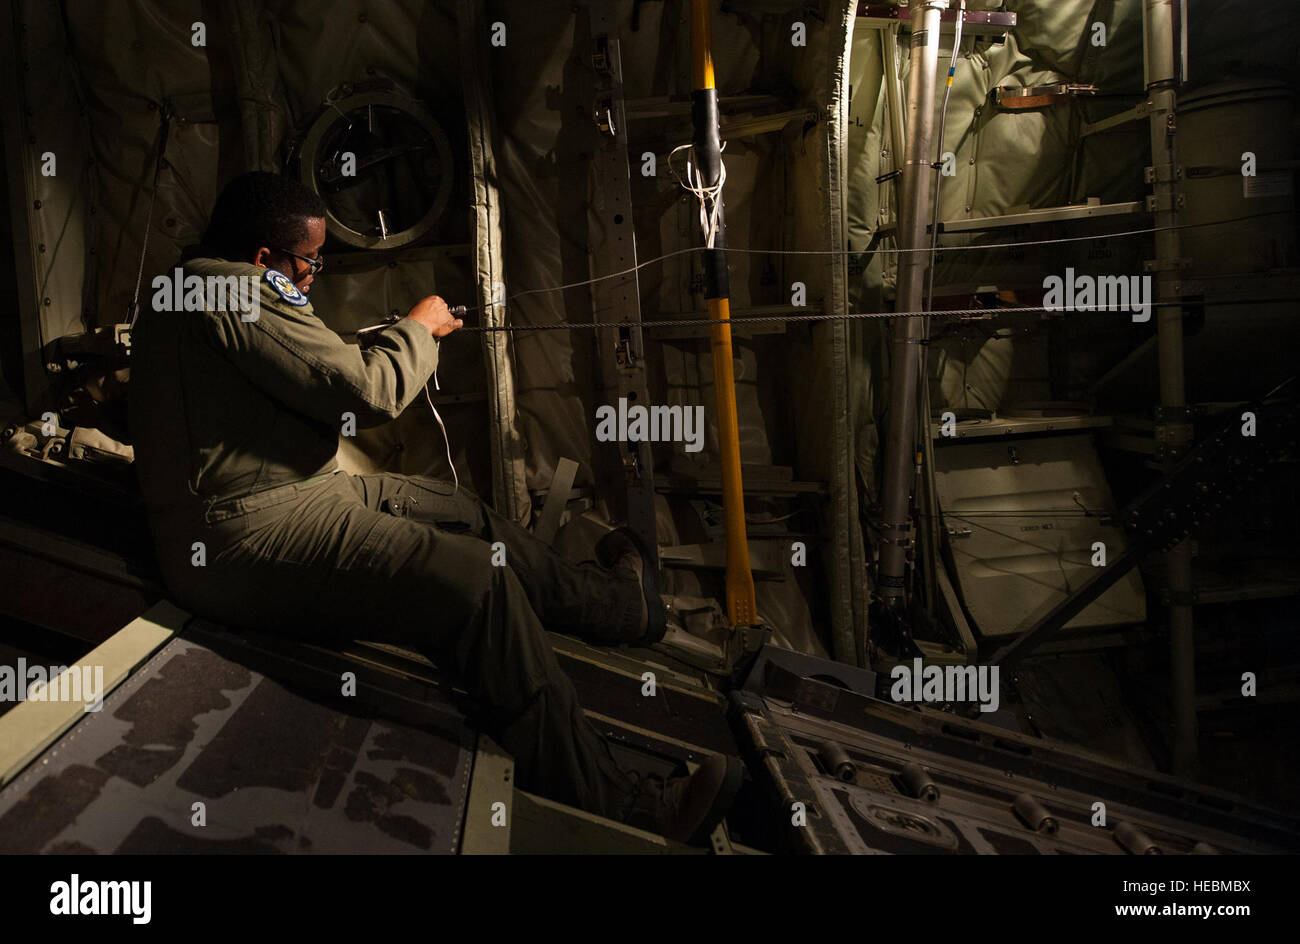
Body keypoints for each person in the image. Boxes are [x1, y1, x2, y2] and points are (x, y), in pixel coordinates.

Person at [128, 171, 739, 843]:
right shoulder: (233, 293)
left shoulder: (206, 286)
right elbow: (366, 394)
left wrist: (391, 342)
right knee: (479, 584)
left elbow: (304, 372)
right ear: (265, 257)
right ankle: (622, 805)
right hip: (243, 535)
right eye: (310, 263)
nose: (315, 276)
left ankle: (623, 607)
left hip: (300, 491)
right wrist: (417, 328)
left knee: (455, 509)